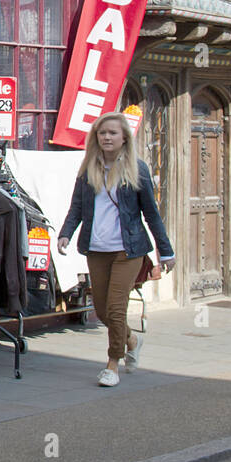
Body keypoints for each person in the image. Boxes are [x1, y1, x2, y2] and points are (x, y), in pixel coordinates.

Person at [57, 112, 174, 387]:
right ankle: (132, 340)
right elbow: (77, 207)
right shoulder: (88, 170)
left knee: (116, 308)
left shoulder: (138, 169)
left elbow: (152, 214)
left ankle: (112, 365)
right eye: (102, 133)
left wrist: (165, 251)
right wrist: (65, 234)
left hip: (128, 249)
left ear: (124, 139)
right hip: (96, 249)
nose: (107, 137)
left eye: (112, 133)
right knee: (102, 308)